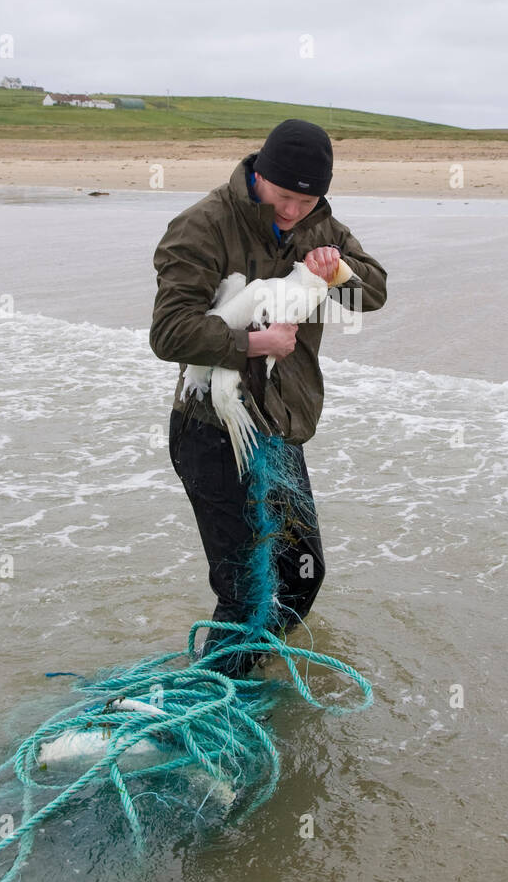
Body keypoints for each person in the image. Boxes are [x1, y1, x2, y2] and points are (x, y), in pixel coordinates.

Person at [149, 117, 388, 677]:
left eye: (306, 201)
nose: (292, 213)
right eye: (283, 197)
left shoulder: (319, 225)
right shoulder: (202, 226)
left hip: (279, 428)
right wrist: (253, 342)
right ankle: (210, 709)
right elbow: (168, 334)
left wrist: (338, 270)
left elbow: (371, 293)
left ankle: (242, 671)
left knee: (302, 573)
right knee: (243, 590)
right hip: (212, 427)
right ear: (260, 174)